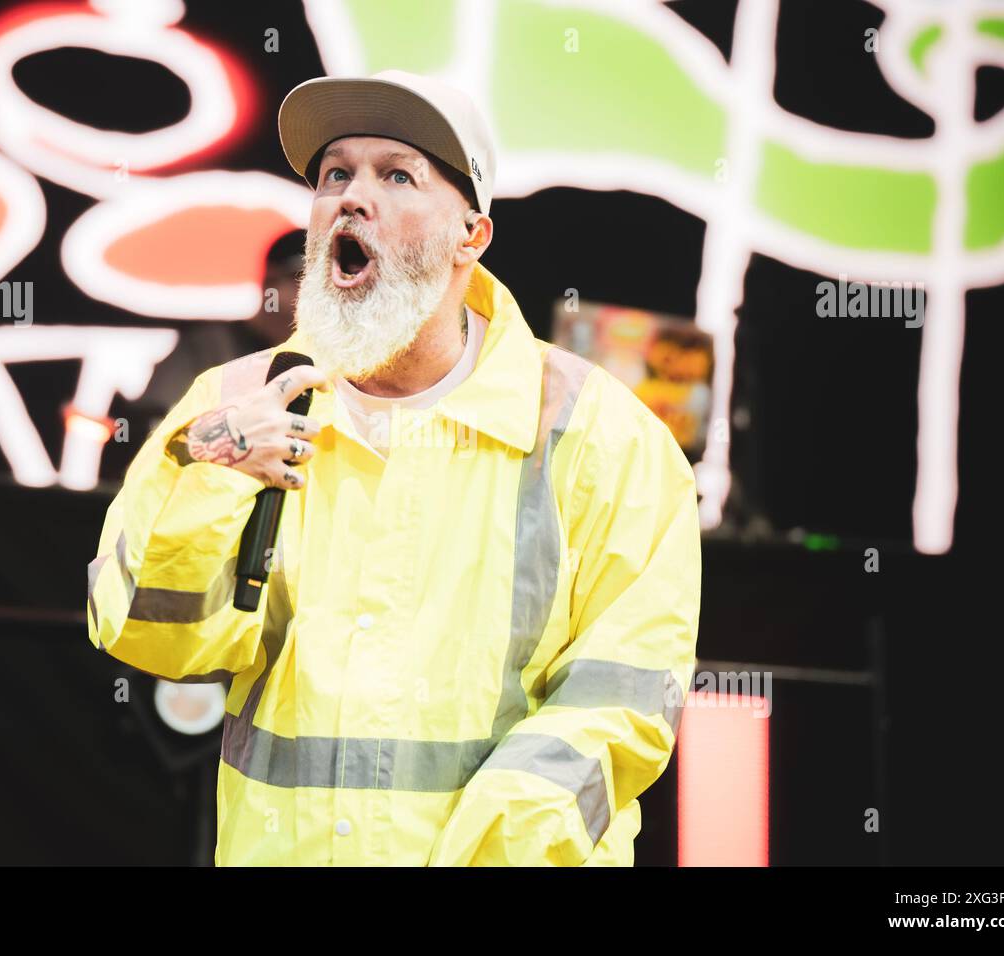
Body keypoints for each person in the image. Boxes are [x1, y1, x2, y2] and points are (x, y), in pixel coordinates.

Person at [86, 69, 702, 866]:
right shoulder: (234, 404)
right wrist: (220, 473)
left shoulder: (601, 433)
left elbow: (621, 705)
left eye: (397, 175)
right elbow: (147, 637)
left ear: (470, 238)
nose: (351, 196)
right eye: (335, 173)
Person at [129, 230, 306, 443]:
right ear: (271, 282)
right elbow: (154, 423)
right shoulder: (208, 345)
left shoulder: (327, 356)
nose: (313, 295)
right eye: (302, 280)